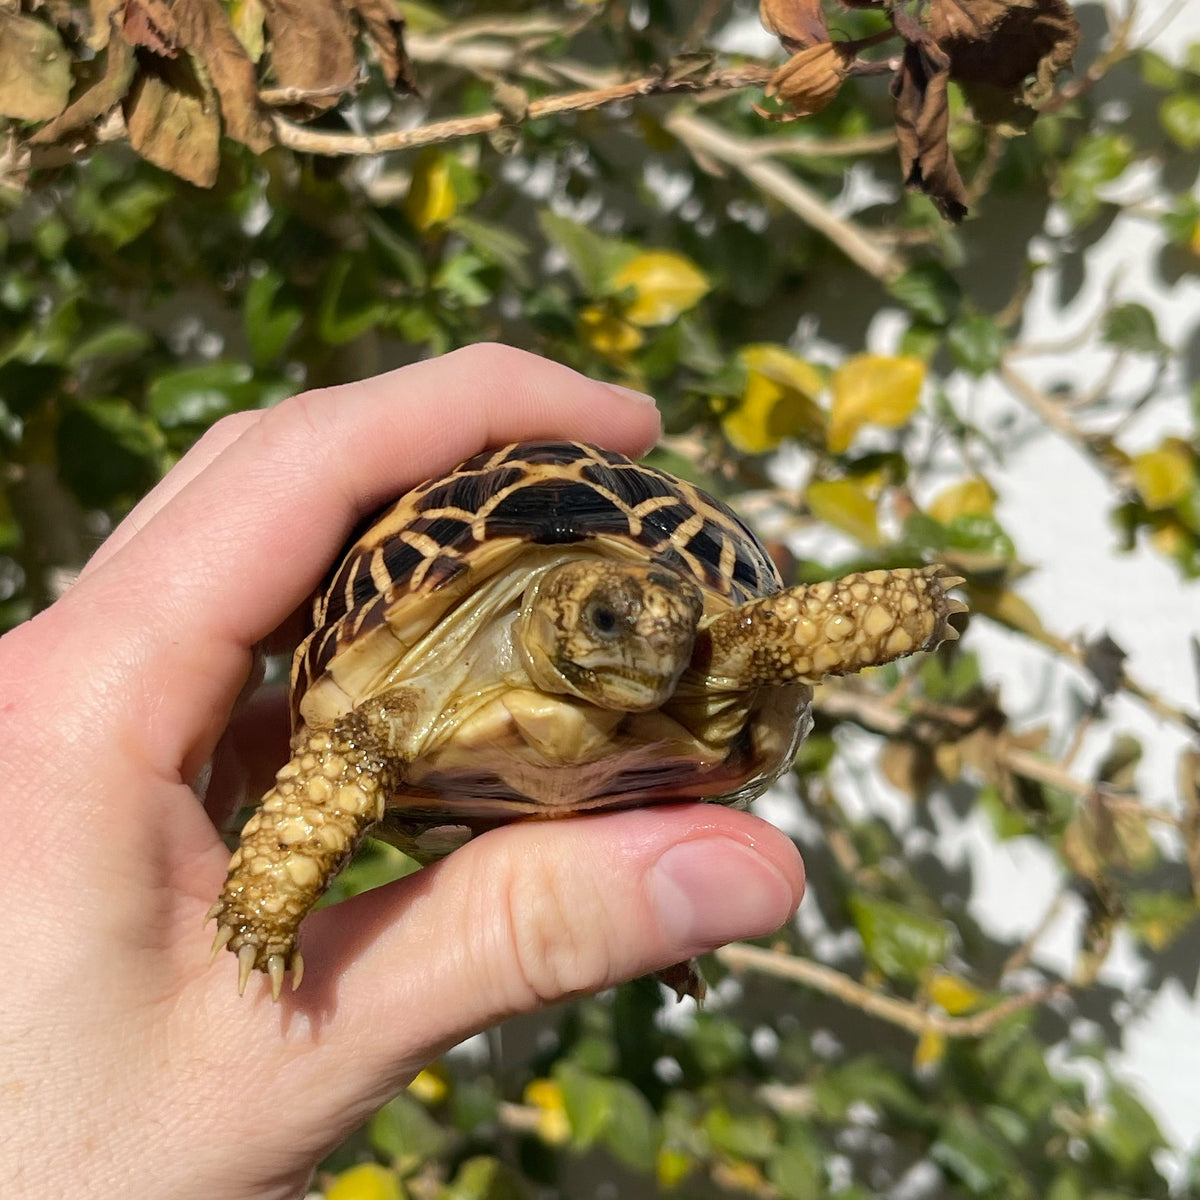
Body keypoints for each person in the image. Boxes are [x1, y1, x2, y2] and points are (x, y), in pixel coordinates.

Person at [0, 345, 804, 1200]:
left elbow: (783, 631)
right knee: (354, 757)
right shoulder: (409, 681)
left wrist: (900, 612)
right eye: (607, 622)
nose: (650, 652)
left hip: (638, 769)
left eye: (673, 630)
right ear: (562, 611)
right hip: (445, 708)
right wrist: (267, 903)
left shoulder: (677, 636)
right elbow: (344, 750)